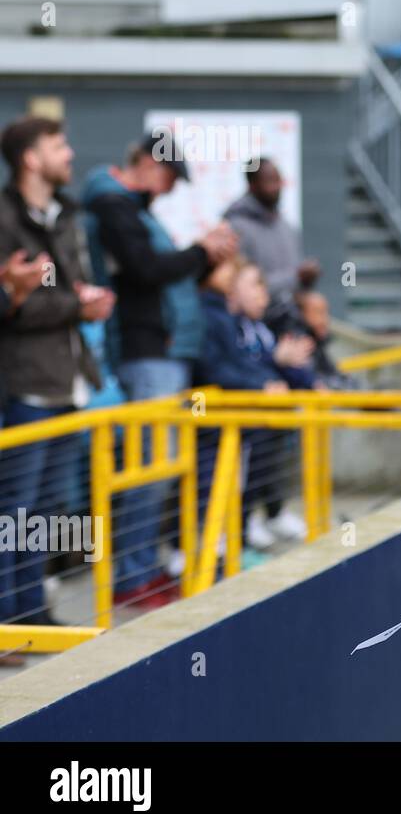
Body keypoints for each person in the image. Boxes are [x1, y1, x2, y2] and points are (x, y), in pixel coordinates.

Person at [82, 131, 238, 608]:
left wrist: (198, 255)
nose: (169, 188)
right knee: (150, 470)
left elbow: (150, 269)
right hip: (146, 350)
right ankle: (131, 577)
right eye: (169, 176)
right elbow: (146, 270)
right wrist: (201, 253)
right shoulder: (115, 205)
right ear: (150, 164)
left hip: (158, 350)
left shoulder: (128, 207)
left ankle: (140, 569)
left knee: (159, 468)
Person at [0, 116, 114, 625]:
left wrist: (87, 298)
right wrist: (77, 305)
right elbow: (16, 306)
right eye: (58, 145)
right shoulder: (4, 217)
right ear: (30, 158)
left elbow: (65, 290)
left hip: (70, 382)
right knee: (14, 512)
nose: (69, 154)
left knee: (47, 511)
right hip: (26, 385)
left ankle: (34, 614)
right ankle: (7, 620)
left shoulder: (67, 214)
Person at [196, 258, 315, 550]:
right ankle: (214, 538)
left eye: (262, 285)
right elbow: (221, 368)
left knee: (260, 463)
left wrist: (296, 372)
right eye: (254, 285)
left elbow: (268, 364)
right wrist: (264, 381)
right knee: (221, 476)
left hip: (256, 418)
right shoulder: (217, 318)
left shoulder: (258, 327)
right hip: (222, 419)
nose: (262, 293)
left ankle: (254, 522)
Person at [223, 159, 320, 318]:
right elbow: (239, 288)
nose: (277, 187)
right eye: (269, 181)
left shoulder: (287, 227)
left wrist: (306, 279)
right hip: (255, 326)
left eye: (278, 180)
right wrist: (295, 277)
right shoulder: (235, 228)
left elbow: (297, 286)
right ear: (252, 185)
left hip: (291, 321)